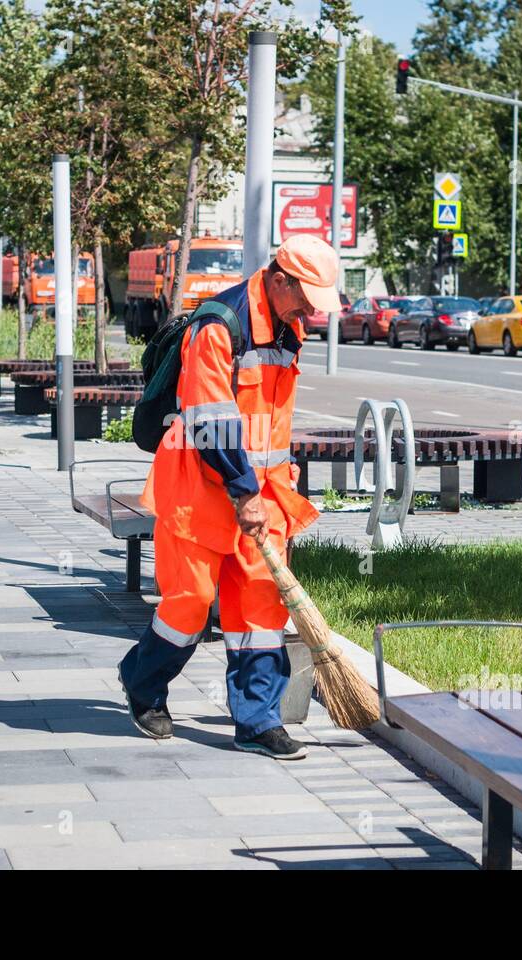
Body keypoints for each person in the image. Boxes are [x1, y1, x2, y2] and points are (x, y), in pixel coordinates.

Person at [118, 234, 341, 760]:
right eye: (306, 295)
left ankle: (258, 720)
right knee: (189, 605)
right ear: (279, 278)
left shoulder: (288, 326)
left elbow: (267, 423)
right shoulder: (220, 326)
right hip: (200, 489)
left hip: (262, 493)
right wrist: (244, 492)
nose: (312, 308)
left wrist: (265, 492)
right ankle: (142, 681)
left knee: (261, 611)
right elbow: (210, 420)